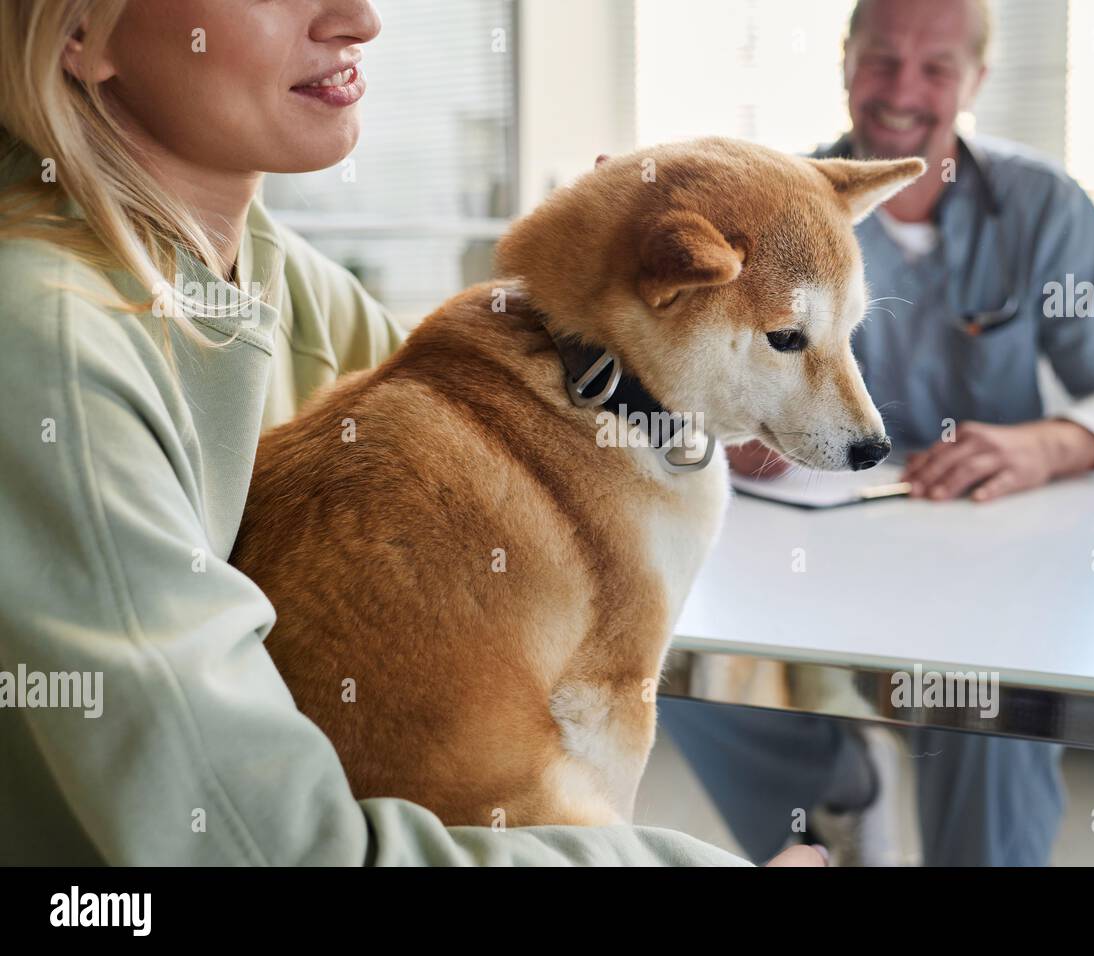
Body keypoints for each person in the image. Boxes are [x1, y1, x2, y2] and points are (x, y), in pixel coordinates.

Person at [0, 0, 817, 867]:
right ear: (79, 32)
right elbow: (268, 852)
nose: (359, 19)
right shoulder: (47, 348)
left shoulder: (272, 278)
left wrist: (608, 295)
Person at [659, 0, 1094, 866]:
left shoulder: (1044, 207)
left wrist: (1044, 445)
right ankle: (837, 806)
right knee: (682, 659)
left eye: (935, 68)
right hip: (808, 553)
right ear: (845, 60)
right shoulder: (772, 206)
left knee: (983, 710)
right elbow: (683, 377)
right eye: (881, 59)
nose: (902, 91)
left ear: (975, 80)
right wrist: (729, 422)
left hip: (988, 554)